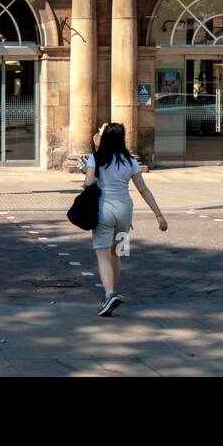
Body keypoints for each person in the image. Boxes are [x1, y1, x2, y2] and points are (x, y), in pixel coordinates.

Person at [84, 121, 168, 317]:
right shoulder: (130, 161)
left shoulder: (95, 158)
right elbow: (143, 189)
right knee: (118, 252)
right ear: (122, 139)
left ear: (103, 139)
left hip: (103, 209)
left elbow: (88, 183)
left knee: (103, 253)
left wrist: (88, 178)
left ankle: (109, 293)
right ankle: (111, 293)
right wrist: (158, 214)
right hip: (125, 210)